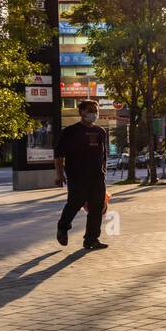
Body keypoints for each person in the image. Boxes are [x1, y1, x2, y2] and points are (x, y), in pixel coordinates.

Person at [55, 99, 109, 250]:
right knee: (75, 203)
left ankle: (91, 239)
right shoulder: (70, 132)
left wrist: (103, 171)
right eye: (90, 110)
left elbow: (103, 155)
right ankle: (63, 227)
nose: (94, 113)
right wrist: (59, 175)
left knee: (97, 207)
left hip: (97, 177)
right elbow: (59, 155)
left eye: (96, 110)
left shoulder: (100, 132)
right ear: (81, 112)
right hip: (76, 176)